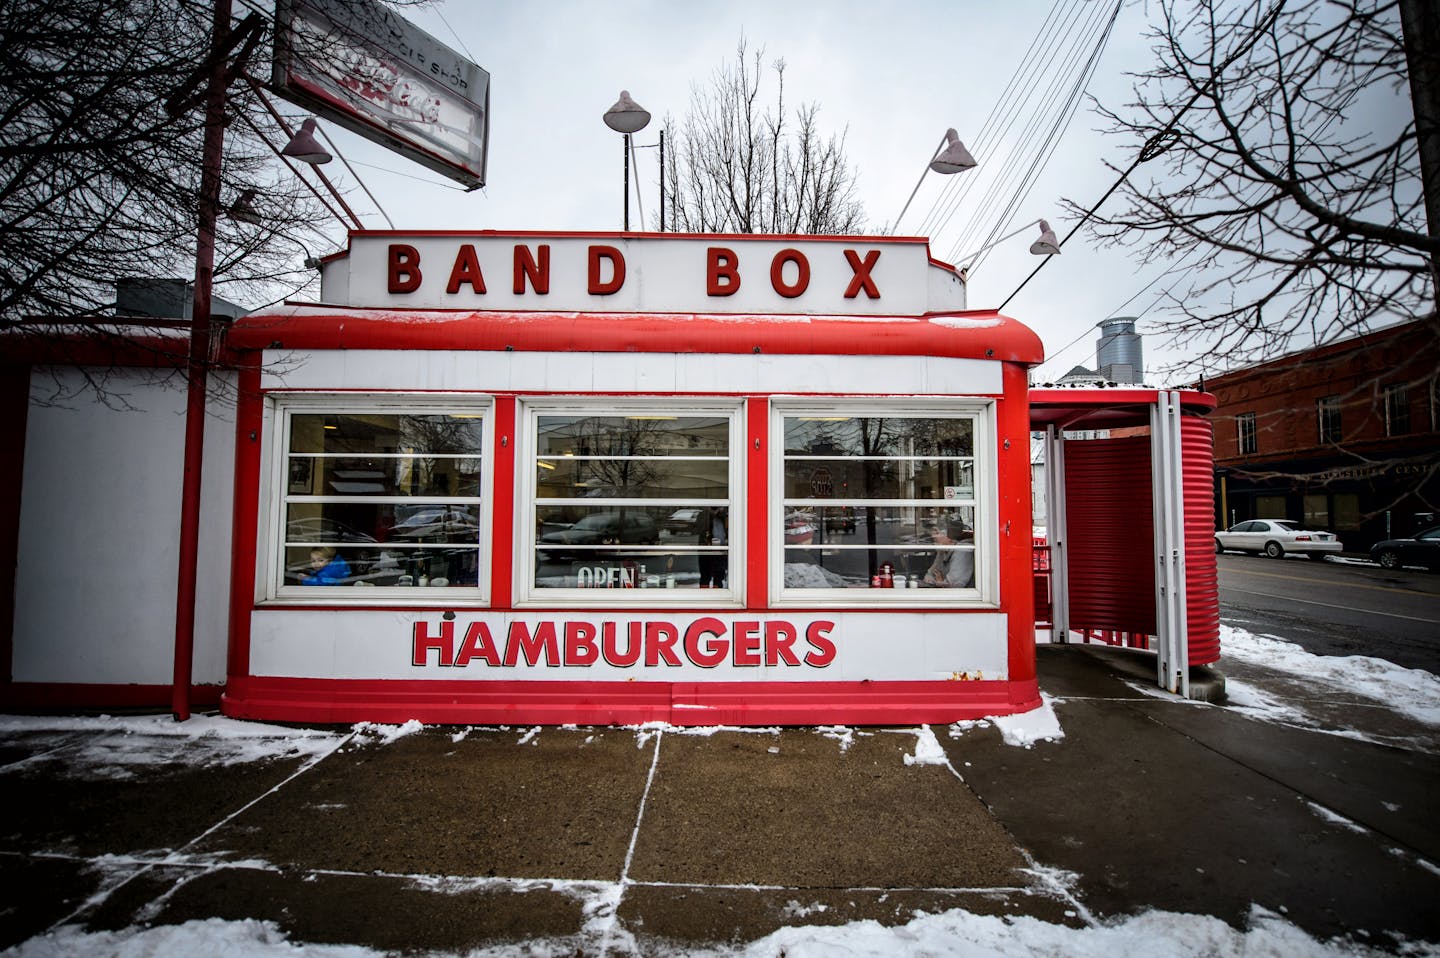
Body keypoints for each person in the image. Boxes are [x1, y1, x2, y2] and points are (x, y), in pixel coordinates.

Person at [924, 517, 974, 588]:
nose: (933, 536)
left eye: (937, 533)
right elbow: (930, 574)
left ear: (949, 537)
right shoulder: (943, 549)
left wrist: (940, 582)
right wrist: (939, 582)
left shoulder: (962, 551)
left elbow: (954, 585)